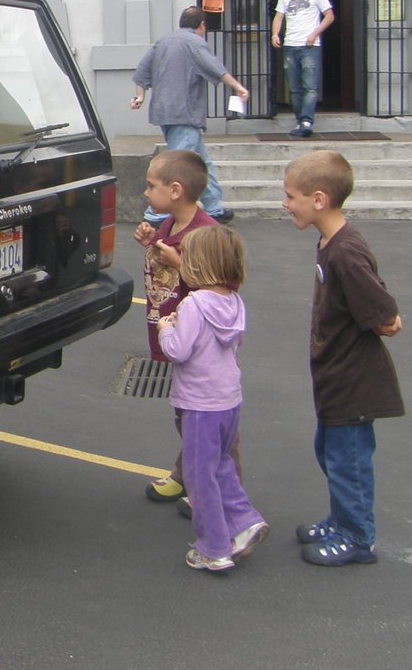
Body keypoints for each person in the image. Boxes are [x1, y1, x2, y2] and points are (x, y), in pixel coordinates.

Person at [281, 150, 405, 567]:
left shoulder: (346, 253)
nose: (285, 204)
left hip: (354, 382)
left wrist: (384, 320)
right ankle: (341, 520)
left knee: (347, 461)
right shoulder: (330, 243)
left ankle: (357, 538)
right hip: (335, 378)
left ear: (319, 200)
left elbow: (386, 317)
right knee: (329, 453)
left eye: (290, 196)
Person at [157, 226, 268, 572]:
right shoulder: (233, 302)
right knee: (220, 465)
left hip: (200, 405)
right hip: (228, 399)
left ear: (198, 265)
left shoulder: (193, 305)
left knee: (198, 475)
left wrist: (166, 328)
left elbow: (178, 351)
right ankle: (244, 520)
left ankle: (214, 547)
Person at [133, 150, 237, 510]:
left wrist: (182, 263)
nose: (146, 193)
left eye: (151, 186)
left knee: (209, 416)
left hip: (201, 344)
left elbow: (225, 287)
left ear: (175, 190)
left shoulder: (207, 234)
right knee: (186, 413)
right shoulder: (169, 224)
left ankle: (222, 487)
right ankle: (186, 473)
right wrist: (150, 242)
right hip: (175, 334)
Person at [130, 6, 250, 224]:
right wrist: (238, 88)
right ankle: (157, 213)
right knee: (176, 165)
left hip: (163, 111)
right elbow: (216, 69)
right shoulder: (195, 43)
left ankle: (213, 206)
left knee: (201, 161)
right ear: (201, 25)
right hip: (184, 112)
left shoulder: (162, 42)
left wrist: (139, 97)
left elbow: (142, 71)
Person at [270, 0, 335, 138]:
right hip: (290, 44)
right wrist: (275, 34)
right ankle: (300, 120)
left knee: (310, 86)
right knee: (294, 87)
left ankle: (307, 121)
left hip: (309, 45)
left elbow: (329, 16)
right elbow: (278, 16)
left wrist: (314, 34)